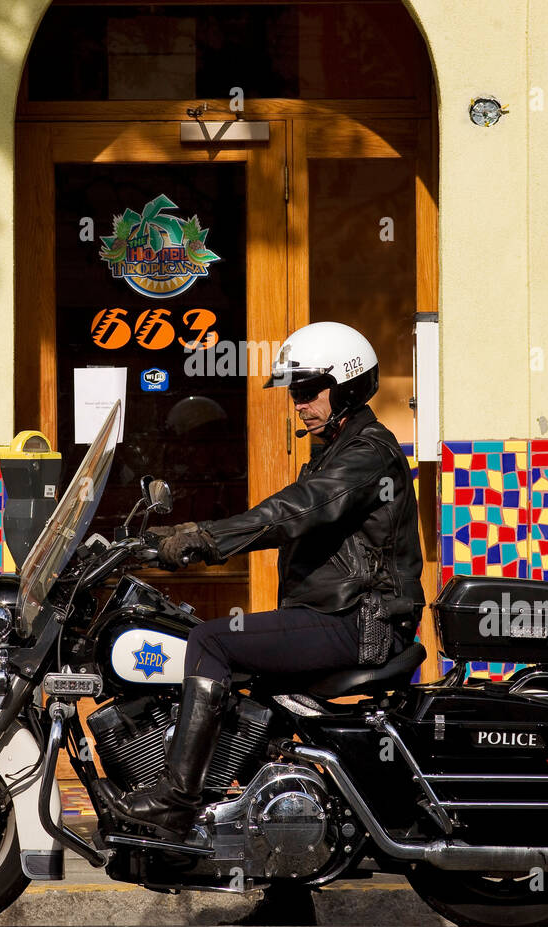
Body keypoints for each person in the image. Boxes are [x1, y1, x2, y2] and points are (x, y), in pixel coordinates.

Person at [97, 321, 425, 842]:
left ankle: (176, 799)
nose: (299, 402)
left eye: (309, 390)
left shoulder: (369, 454)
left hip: (362, 623)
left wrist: (202, 538)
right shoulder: (336, 449)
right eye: (295, 392)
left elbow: (296, 511)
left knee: (209, 640)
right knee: (221, 659)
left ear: (347, 385)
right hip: (335, 616)